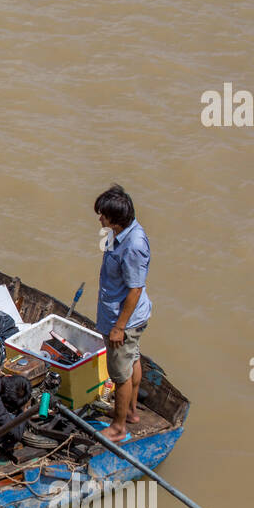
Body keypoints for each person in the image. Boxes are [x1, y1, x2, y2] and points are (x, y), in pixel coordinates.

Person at [94, 184, 152, 444]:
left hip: (124, 319)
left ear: (116, 219)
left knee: (119, 374)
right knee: (133, 359)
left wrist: (119, 326)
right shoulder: (115, 233)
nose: (99, 219)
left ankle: (118, 428)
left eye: (103, 215)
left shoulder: (133, 246)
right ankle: (131, 411)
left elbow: (135, 290)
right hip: (120, 314)